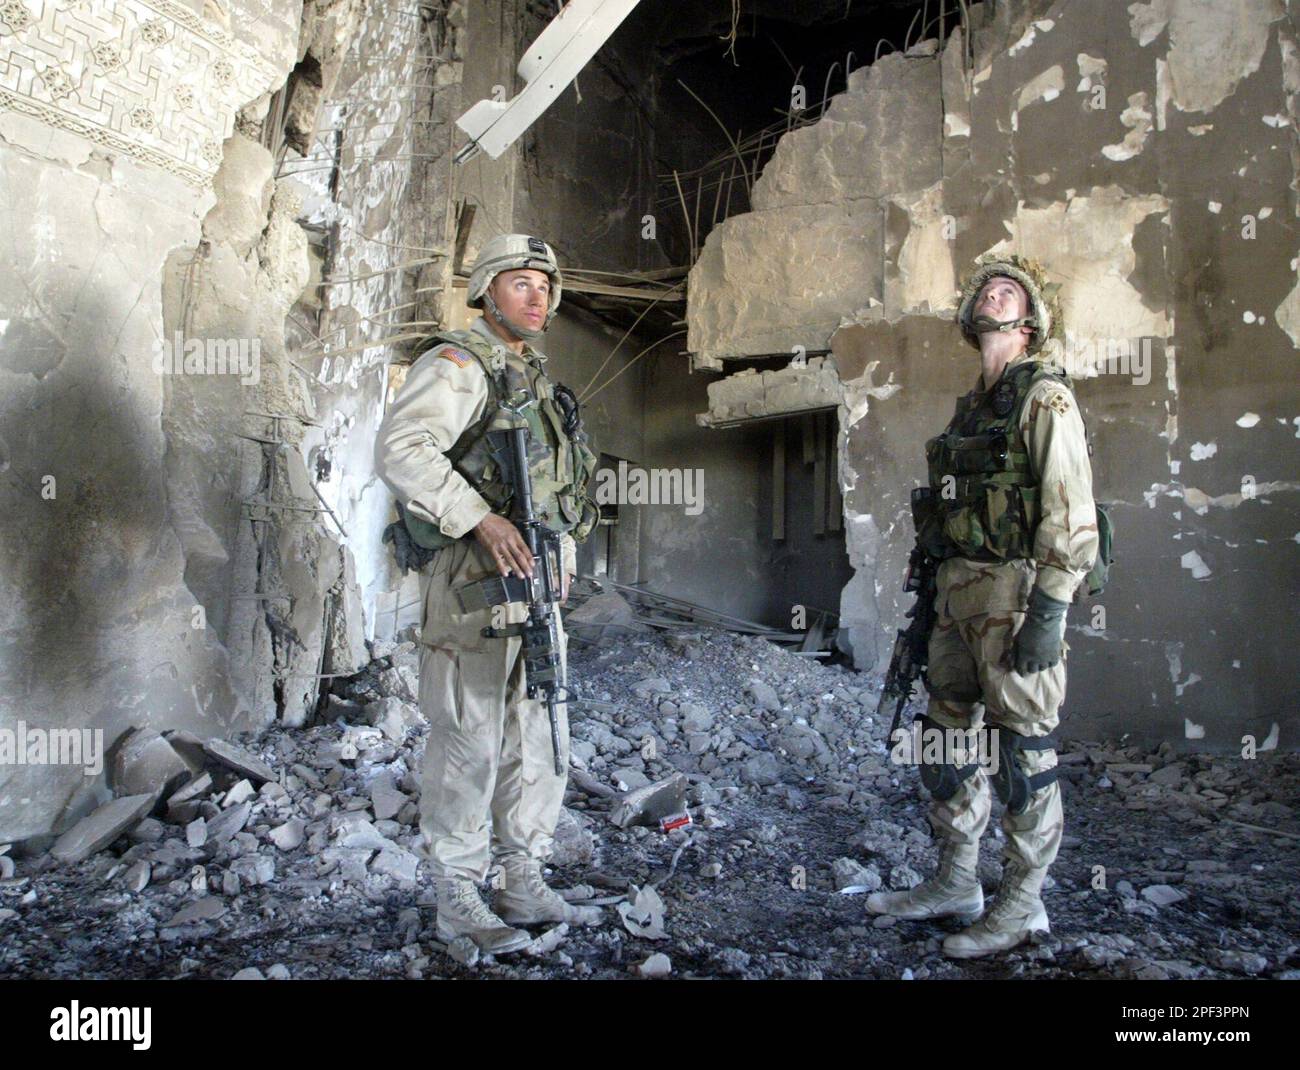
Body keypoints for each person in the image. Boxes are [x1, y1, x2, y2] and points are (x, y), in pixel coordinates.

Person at [866, 254, 1099, 959]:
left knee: (1022, 750)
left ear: (1028, 322)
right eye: (987, 288)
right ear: (972, 318)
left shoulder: (1045, 398)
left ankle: (1022, 905)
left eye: (1012, 290)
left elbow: (1072, 510)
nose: (996, 292)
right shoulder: (973, 407)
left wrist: (1052, 609)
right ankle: (955, 881)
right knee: (944, 738)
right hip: (955, 593)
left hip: (1013, 591)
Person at [375, 233, 602, 954]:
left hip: (535, 580)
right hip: (475, 580)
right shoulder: (458, 365)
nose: (536, 297)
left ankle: (522, 874)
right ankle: (458, 894)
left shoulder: (531, 379)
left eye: (544, 285)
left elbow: (556, 489)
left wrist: (561, 555)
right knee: (468, 735)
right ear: (487, 292)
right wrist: (478, 518)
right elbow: (402, 450)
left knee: (536, 733)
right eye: (519, 283)